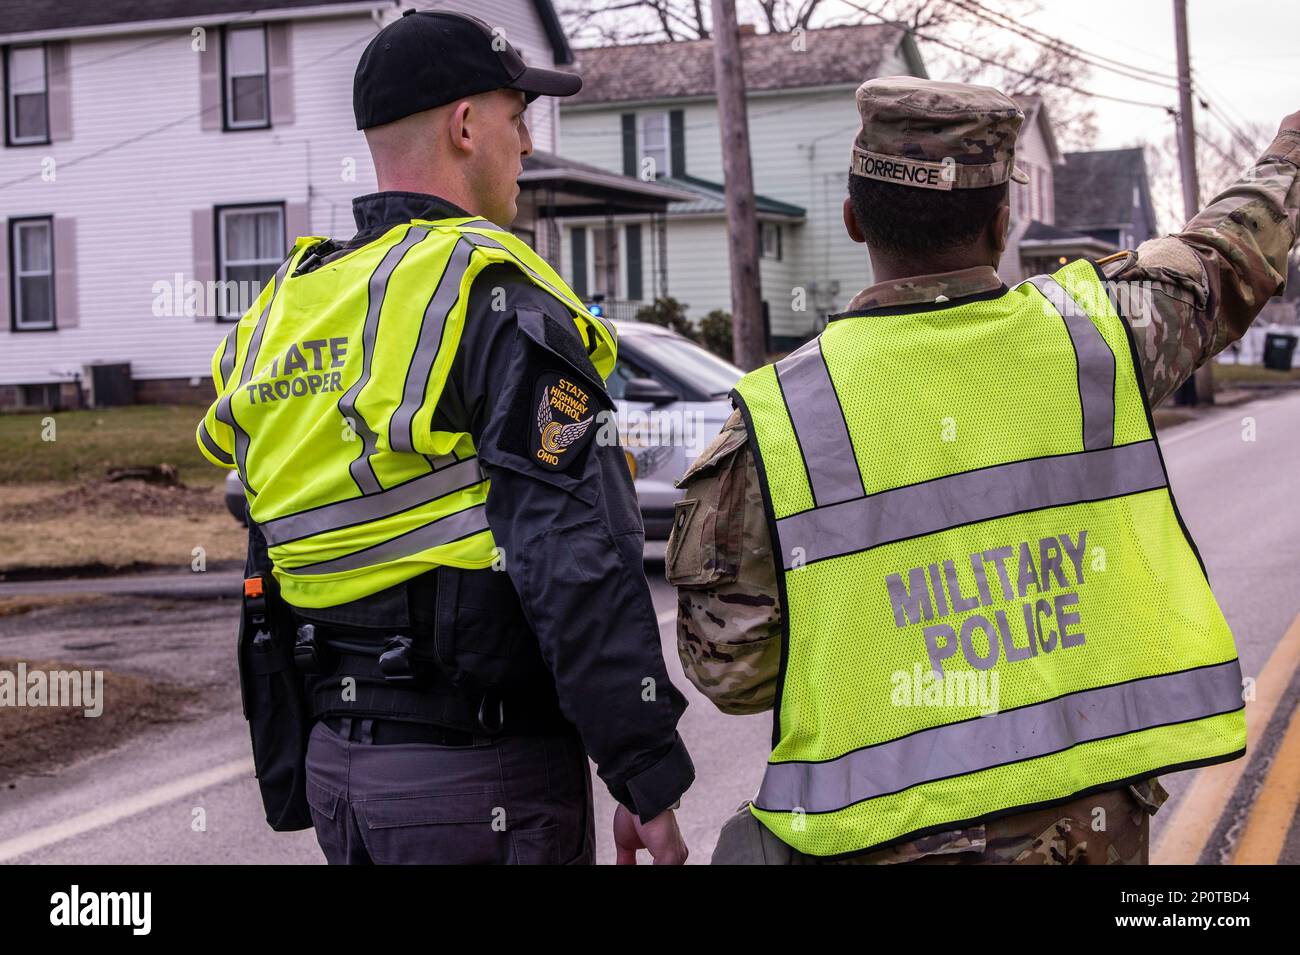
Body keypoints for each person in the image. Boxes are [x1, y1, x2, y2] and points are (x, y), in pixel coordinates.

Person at [669, 75, 1300, 865]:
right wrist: (1291, 149)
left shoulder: (779, 420)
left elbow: (735, 674)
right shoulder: (1100, 337)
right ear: (1002, 223)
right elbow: (1227, 253)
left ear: (853, 218)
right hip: (1082, 839)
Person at [197, 9, 693, 865]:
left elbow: (268, 551)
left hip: (339, 775)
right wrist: (643, 770)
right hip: (481, 780)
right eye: (517, 117)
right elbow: (575, 551)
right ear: (467, 126)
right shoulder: (489, 296)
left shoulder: (288, 311)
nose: (527, 146)